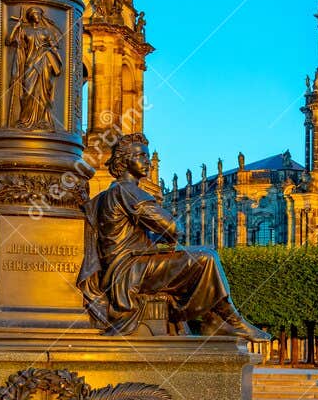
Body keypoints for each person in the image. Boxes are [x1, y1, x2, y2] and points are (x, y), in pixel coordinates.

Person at [79, 133, 265, 338]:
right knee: (206, 258)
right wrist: (170, 234)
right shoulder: (127, 191)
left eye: (147, 157)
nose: (147, 162)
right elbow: (172, 227)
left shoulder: (113, 192)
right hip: (128, 272)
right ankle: (230, 321)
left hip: (128, 267)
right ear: (124, 160)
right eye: (140, 156)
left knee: (202, 256)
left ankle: (217, 319)